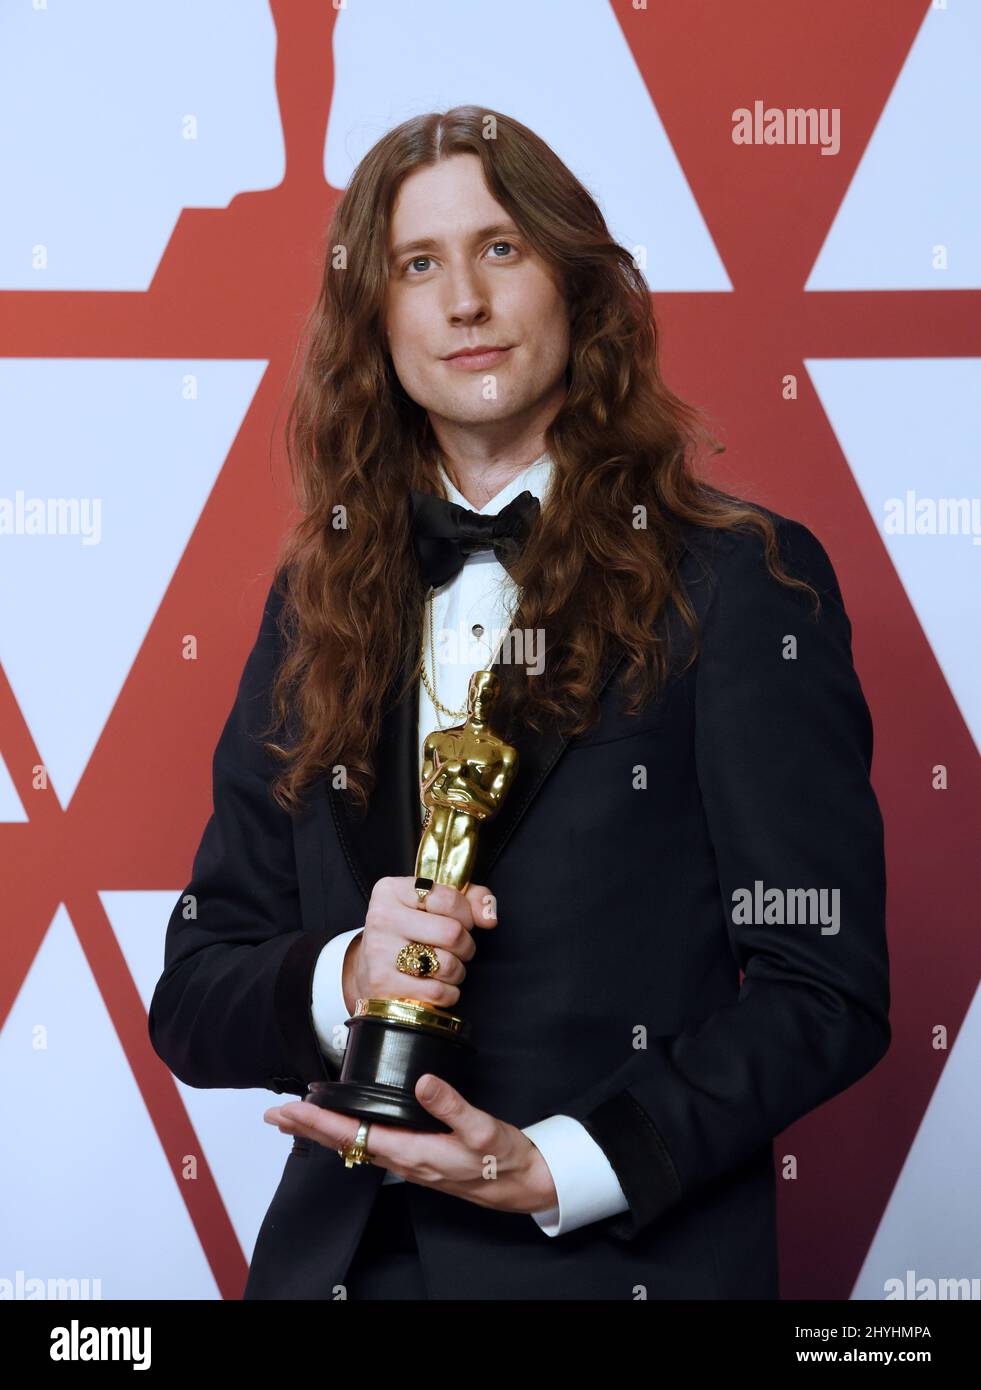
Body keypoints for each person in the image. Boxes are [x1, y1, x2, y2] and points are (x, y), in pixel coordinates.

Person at [148, 106, 890, 1301]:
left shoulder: (741, 581)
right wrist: (343, 973)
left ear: (576, 283)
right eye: (418, 264)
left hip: (614, 1270)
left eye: (502, 249)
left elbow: (824, 992)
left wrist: (560, 1165)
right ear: (375, 320)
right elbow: (195, 995)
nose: (465, 303)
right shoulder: (317, 600)